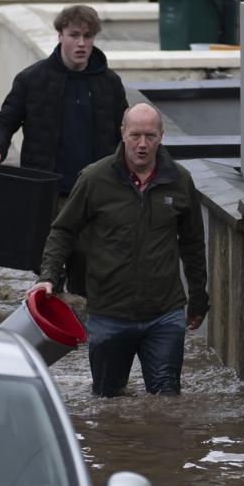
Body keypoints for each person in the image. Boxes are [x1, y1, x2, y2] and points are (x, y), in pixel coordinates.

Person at [29, 103, 208, 397]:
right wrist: (48, 277)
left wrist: (199, 300)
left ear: (161, 137)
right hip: (109, 312)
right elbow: (63, 231)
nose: (142, 144)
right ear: (122, 134)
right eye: (135, 135)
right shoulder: (94, 179)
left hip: (164, 313)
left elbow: (192, 244)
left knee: (166, 401)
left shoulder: (179, 180)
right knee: (107, 401)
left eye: (150, 136)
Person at [0, 5, 128, 294]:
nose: (82, 43)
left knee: (89, 273)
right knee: (47, 272)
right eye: (74, 35)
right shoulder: (32, 79)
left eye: (88, 36)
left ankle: (84, 332)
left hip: (93, 195)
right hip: (47, 194)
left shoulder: (109, 84)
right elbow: (4, 120)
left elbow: (125, 133)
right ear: (60, 35)